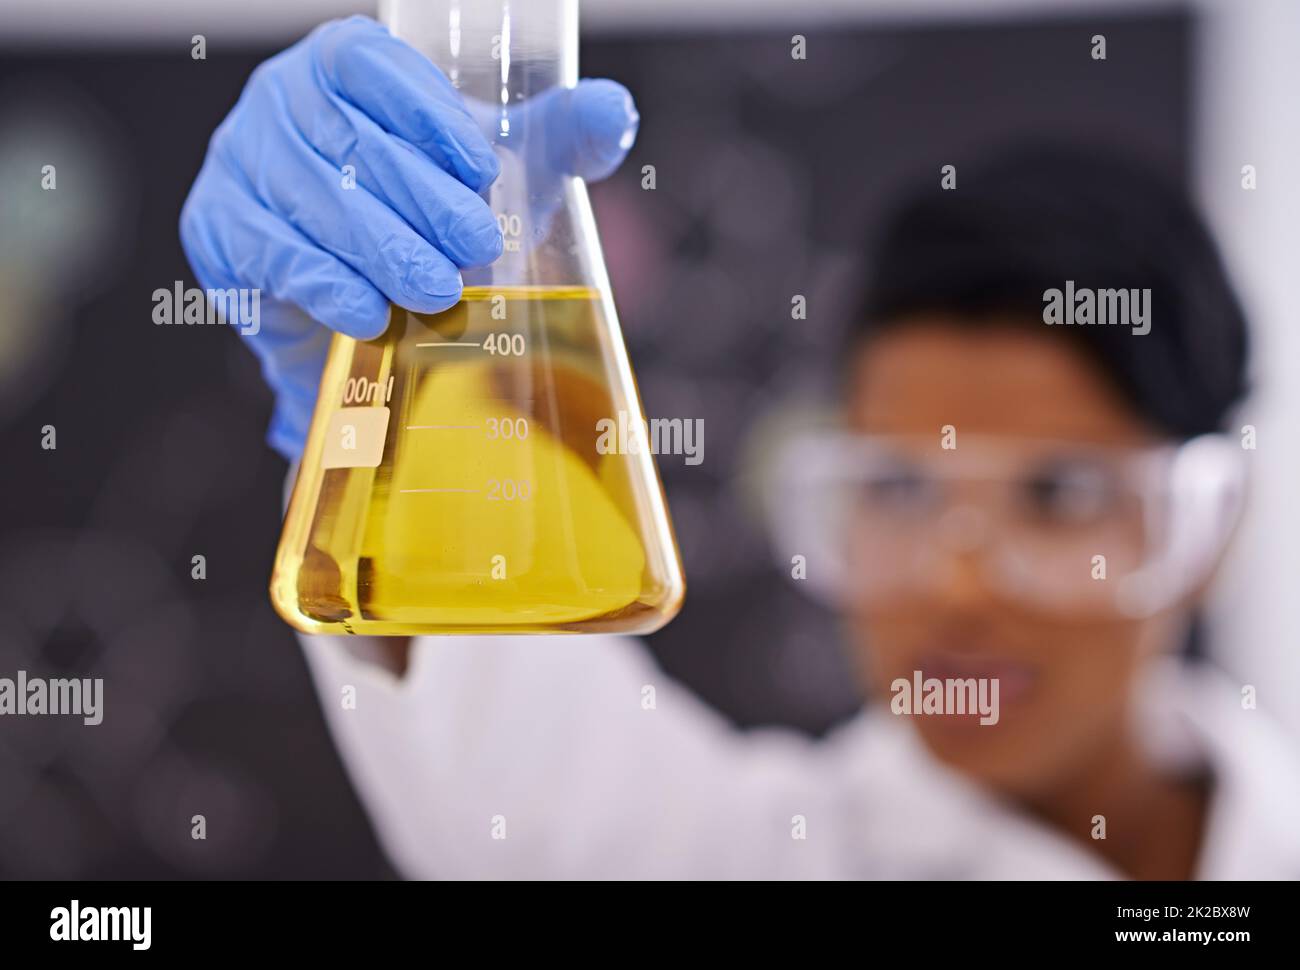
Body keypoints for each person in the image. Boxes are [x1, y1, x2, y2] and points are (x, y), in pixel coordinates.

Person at [181, 16, 1300, 880]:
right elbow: (516, 783)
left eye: (1056, 495)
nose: (958, 585)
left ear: (1208, 524)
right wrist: (384, 419)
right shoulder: (754, 856)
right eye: (899, 488)